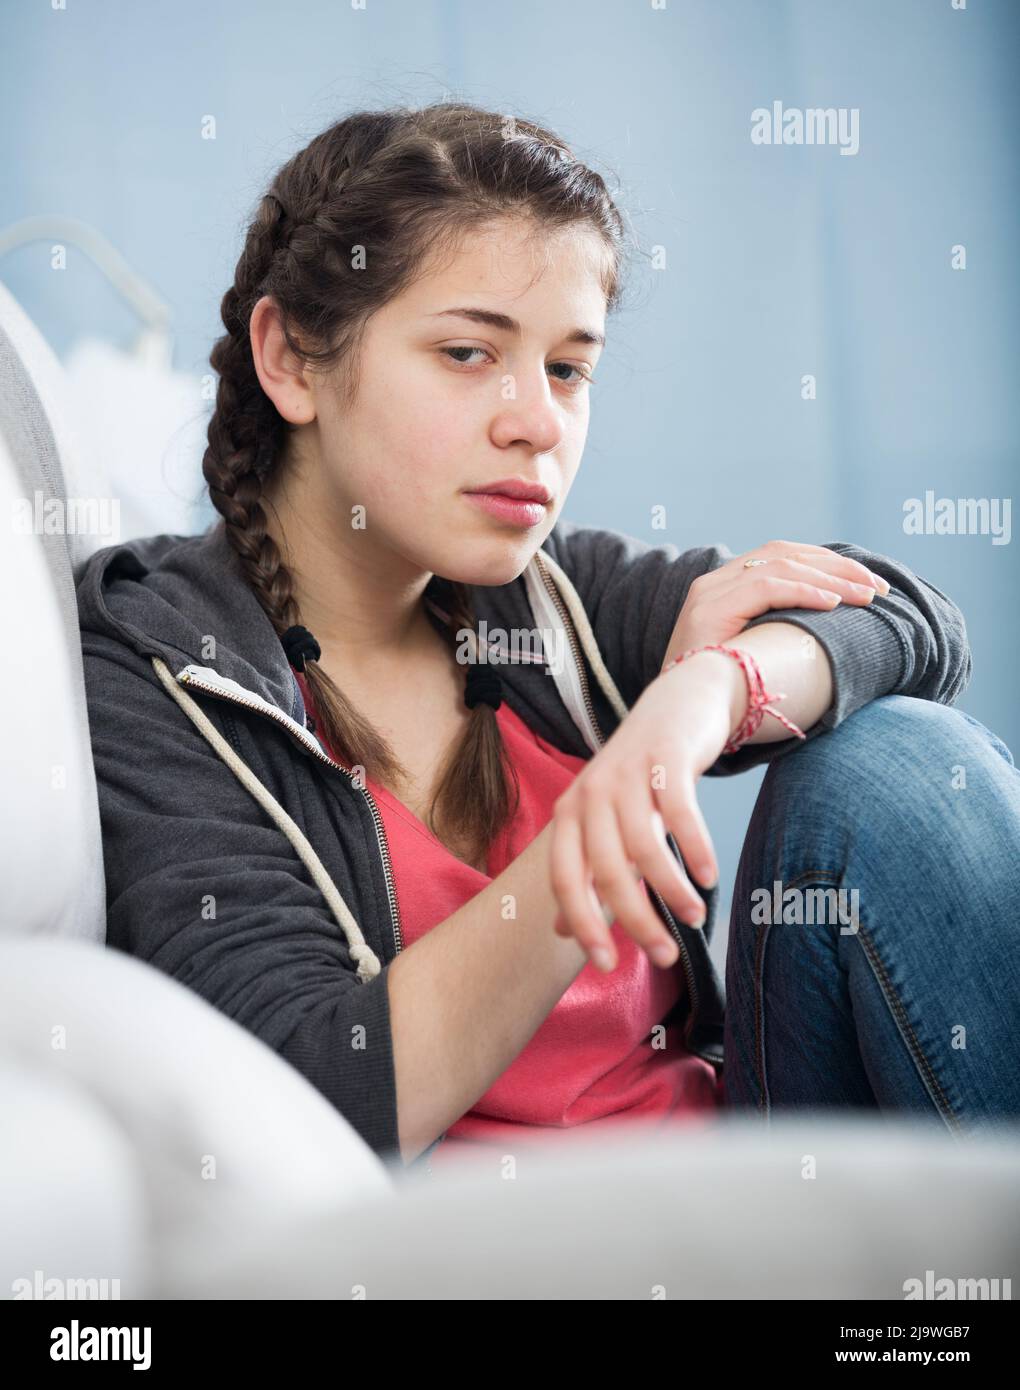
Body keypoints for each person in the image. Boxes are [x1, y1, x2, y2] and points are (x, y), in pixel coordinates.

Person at [76, 101, 1020, 1174]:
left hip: (736, 1169)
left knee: (896, 768)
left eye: (569, 368)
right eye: (470, 352)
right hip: (487, 1241)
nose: (538, 421)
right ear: (290, 358)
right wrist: (594, 843)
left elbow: (912, 620)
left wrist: (703, 696)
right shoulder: (155, 664)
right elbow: (312, 1091)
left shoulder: (550, 597)